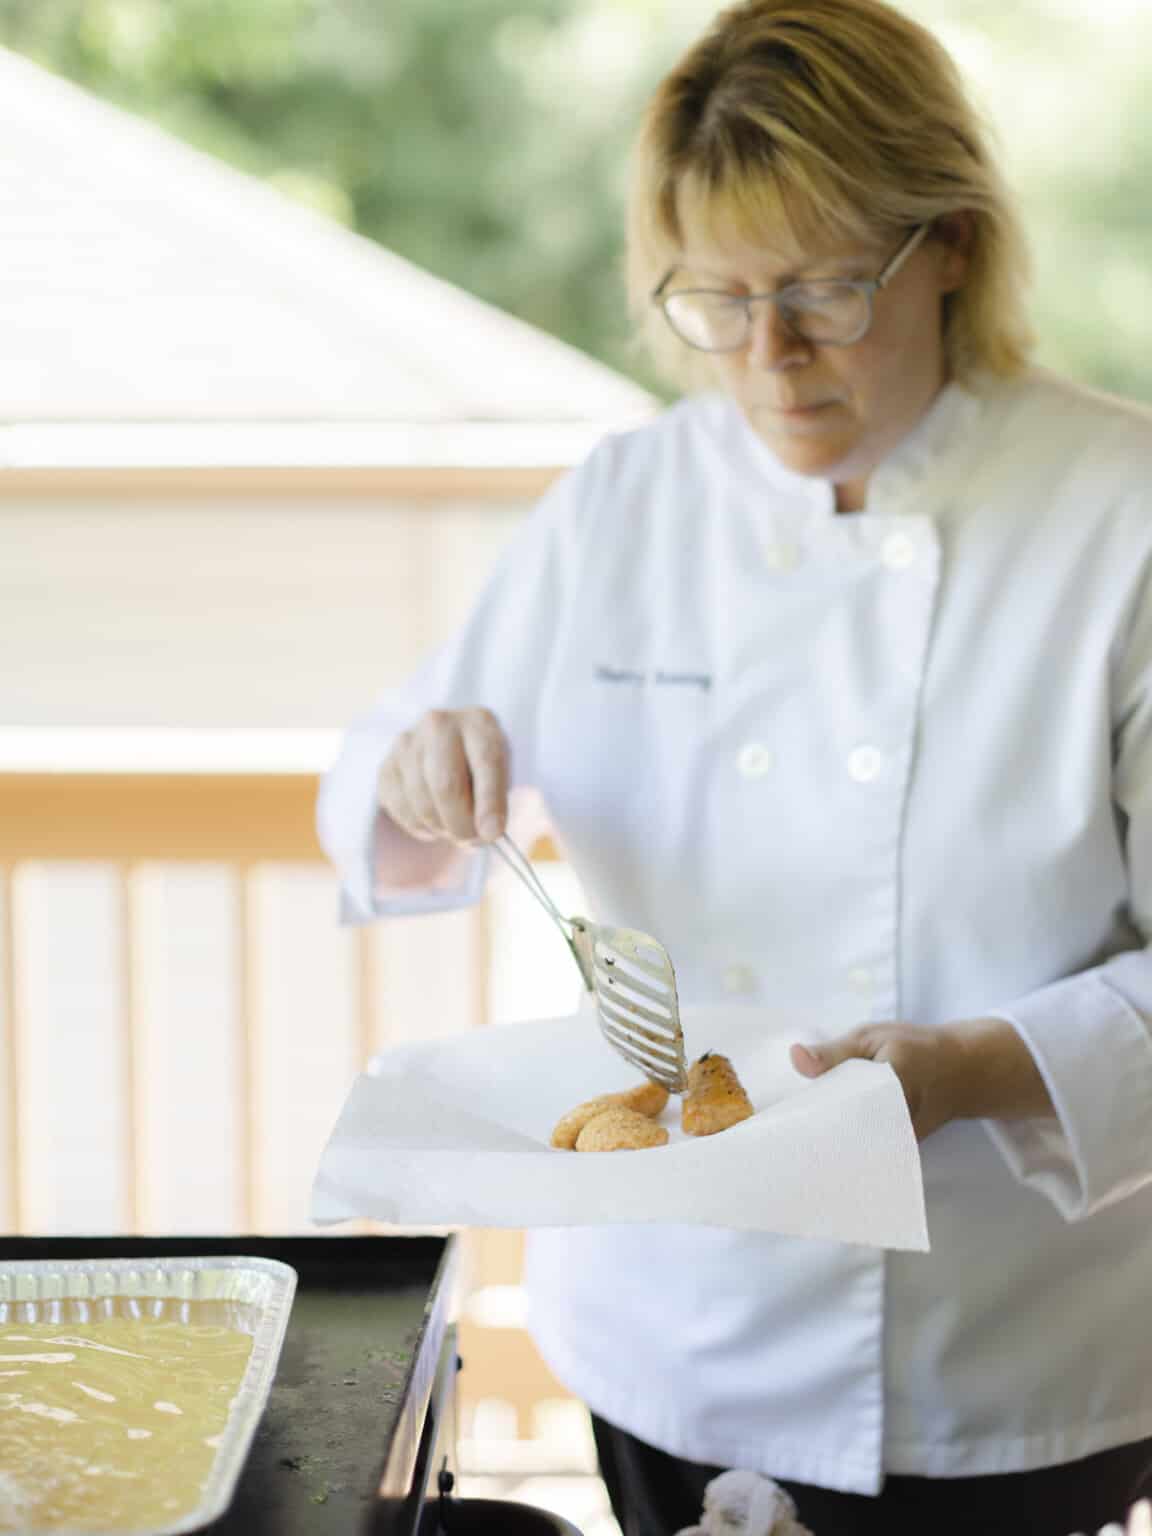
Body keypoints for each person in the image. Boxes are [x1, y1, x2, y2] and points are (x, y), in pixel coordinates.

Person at [316, 1, 1152, 1531]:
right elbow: (400, 765)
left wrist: (978, 1073)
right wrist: (418, 765)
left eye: (829, 287)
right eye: (720, 297)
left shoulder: (1120, 512)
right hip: (674, 1325)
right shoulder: (625, 500)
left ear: (952, 242)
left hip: (1011, 1348)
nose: (769, 355)